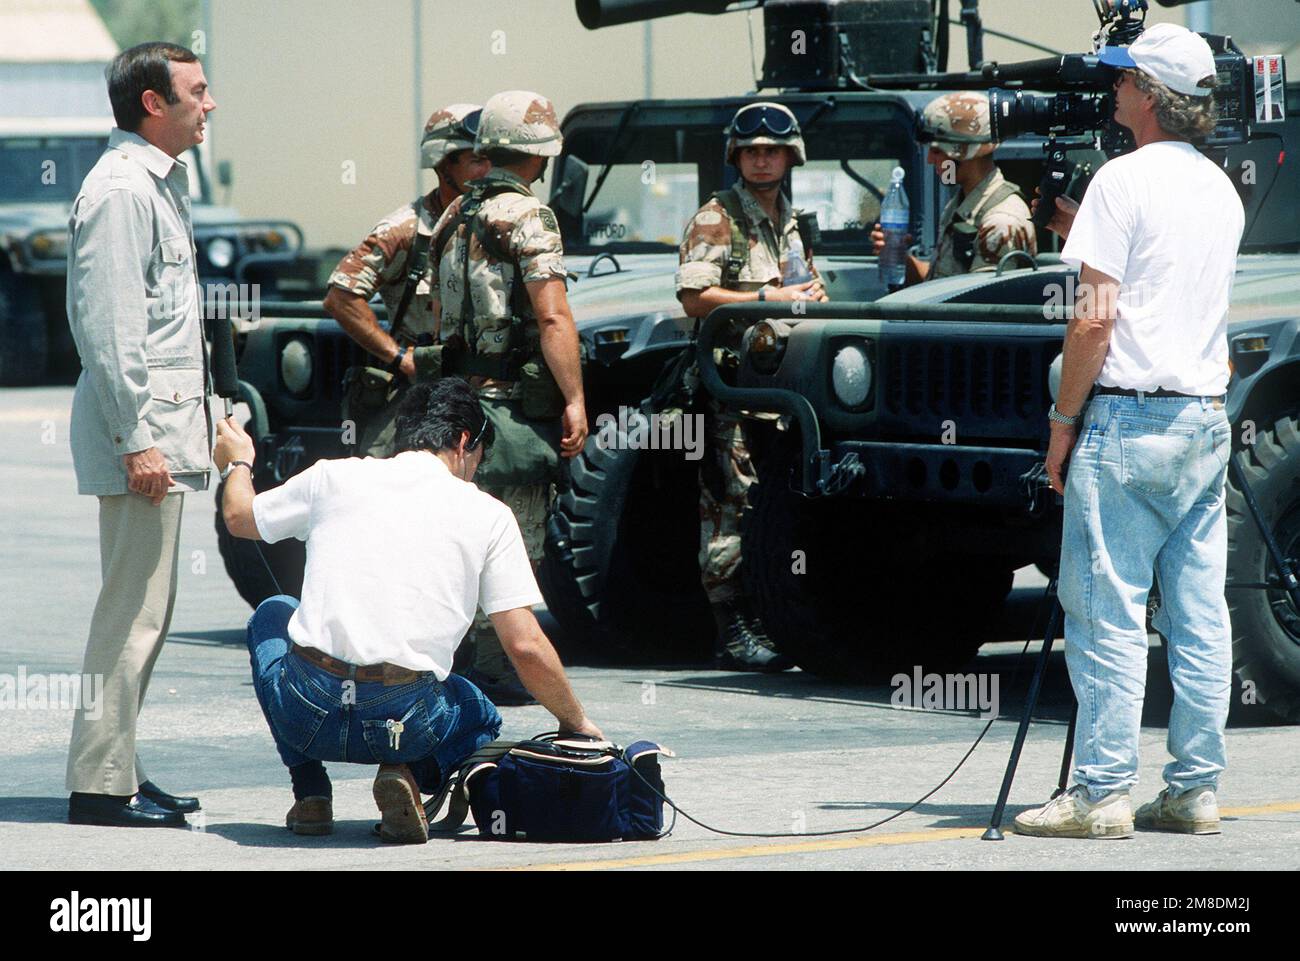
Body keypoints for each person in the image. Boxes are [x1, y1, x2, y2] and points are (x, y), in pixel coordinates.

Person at [1013, 23, 1240, 839]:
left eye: (1124, 80)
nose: (1114, 91)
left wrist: (1062, 424)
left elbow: (1093, 320)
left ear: (1151, 94)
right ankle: (1193, 788)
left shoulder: (1119, 180)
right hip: (1203, 416)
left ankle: (1102, 791)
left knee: (1106, 608)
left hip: (1128, 416)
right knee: (1197, 608)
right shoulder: (1221, 188)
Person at [215, 377, 603, 844]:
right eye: (480, 456)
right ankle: (408, 775)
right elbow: (523, 645)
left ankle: (311, 793)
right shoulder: (490, 514)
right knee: (480, 711)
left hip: (308, 709)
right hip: (405, 719)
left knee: (273, 613)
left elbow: (239, 517)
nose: (477, 470)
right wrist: (576, 722)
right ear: (464, 442)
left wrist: (237, 461)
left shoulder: (333, 476)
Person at [64, 42, 216, 828]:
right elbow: (111, 324)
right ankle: (98, 784)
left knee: (145, 614)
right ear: (152, 103)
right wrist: (136, 437)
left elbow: (163, 327)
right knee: (131, 613)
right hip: (141, 442)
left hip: (159, 433)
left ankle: (118, 765)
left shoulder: (153, 185)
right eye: (195, 91)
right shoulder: (124, 191)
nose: (209, 104)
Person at [427, 90, 588, 705]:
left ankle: (455, 661)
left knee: (458, 537)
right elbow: (552, 318)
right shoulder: (528, 218)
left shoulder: (451, 215)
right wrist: (574, 398)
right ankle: (493, 670)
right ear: (540, 155)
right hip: (510, 408)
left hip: (453, 406)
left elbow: (440, 314)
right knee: (515, 537)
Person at [675, 101, 826, 671]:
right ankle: (732, 626)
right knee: (730, 505)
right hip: (730, 390)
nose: (763, 161)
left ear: (791, 157)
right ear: (736, 157)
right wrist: (762, 300)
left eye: (773, 152)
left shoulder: (789, 219)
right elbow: (694, 297)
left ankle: (776, 614)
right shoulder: (717, 218)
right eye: (752, 152)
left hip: (781, 388)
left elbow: (804, 283)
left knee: (775, 505)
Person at [325, 103, 488, 457]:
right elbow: (341, 297)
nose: (489, 169)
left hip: (482, 394)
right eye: (477, 159)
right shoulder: (405, 230)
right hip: (419, 399)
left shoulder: (496, 224)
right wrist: (401, 358)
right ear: (445, 165)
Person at [870, 92, 1036, 284]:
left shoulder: (1000, 222)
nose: (930, 160)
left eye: (937, 151)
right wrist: (899, 256)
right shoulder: (963, 204)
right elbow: (941, 284)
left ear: (963, 152)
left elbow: (974, 302)